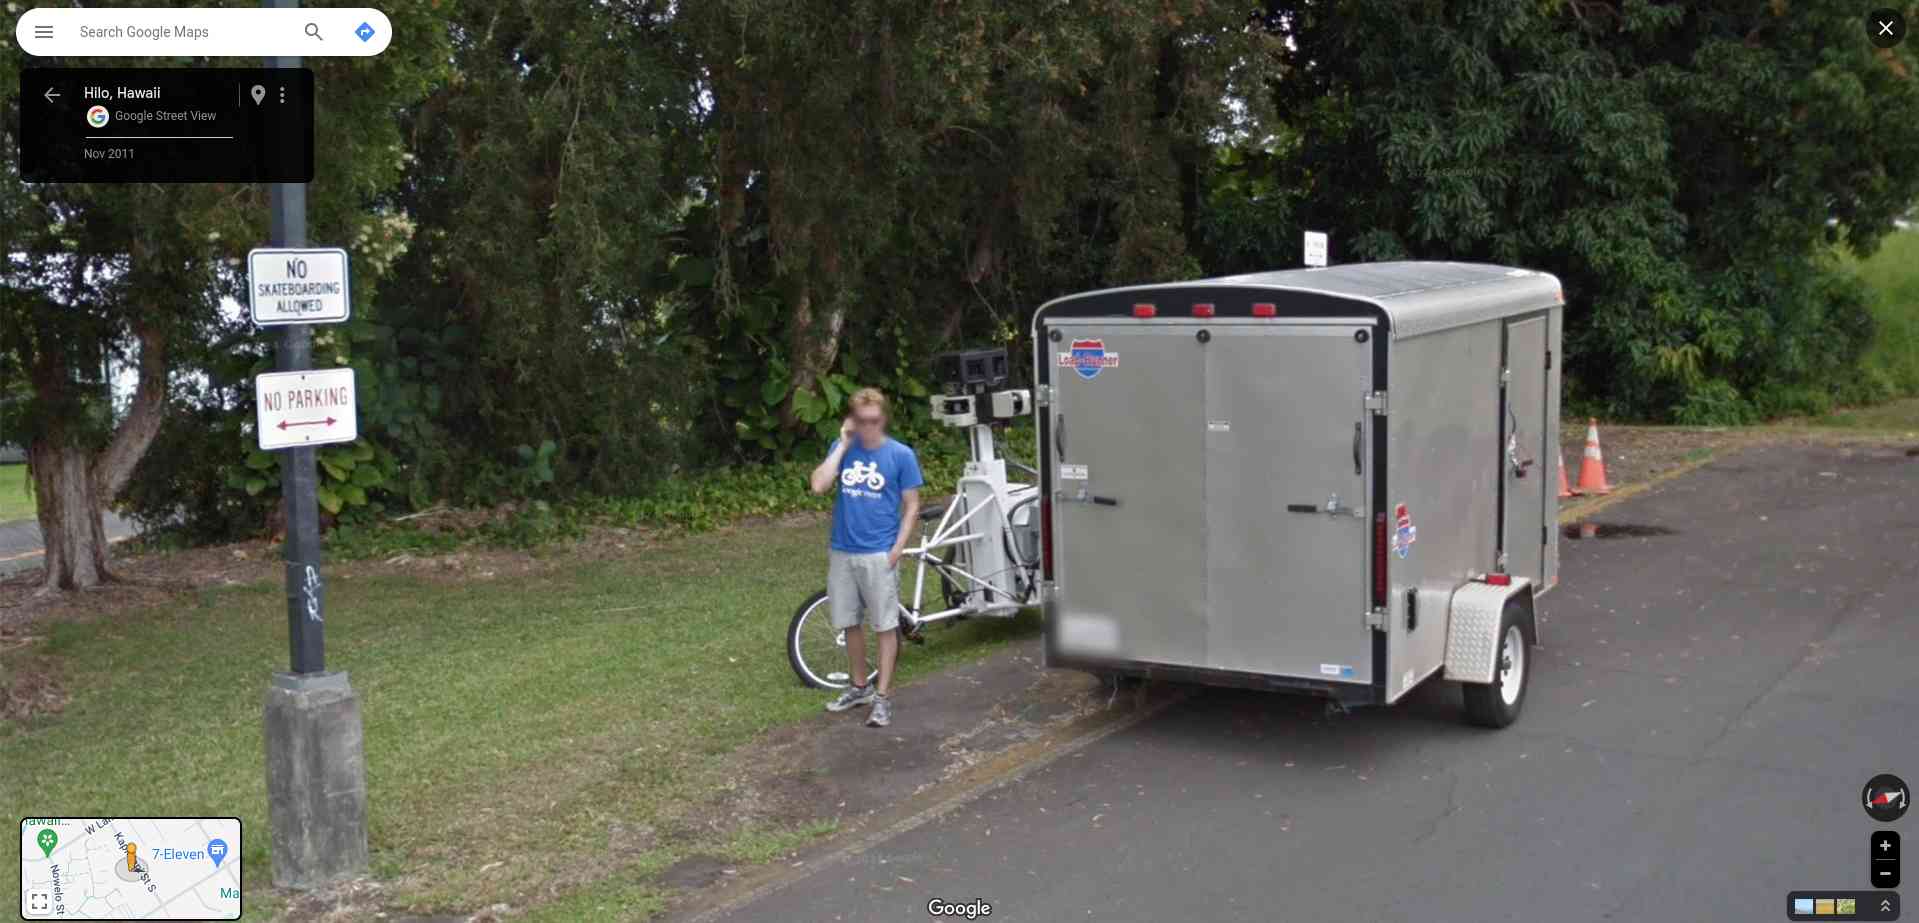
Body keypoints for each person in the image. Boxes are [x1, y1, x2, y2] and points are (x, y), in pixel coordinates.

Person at [807, 387, 923, 727]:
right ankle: (860, 687)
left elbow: (912, 504)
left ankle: (883, 697)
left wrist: (897, 548)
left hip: (878, 553)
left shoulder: (900, 455)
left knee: (885, 626)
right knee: (849, 622)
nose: (868, 428)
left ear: (883, 419)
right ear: (852, 421)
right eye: (861, 421)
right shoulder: (844, 449)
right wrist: (843, 443)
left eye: (873, 421)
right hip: (843, 550)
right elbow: (818, 485)